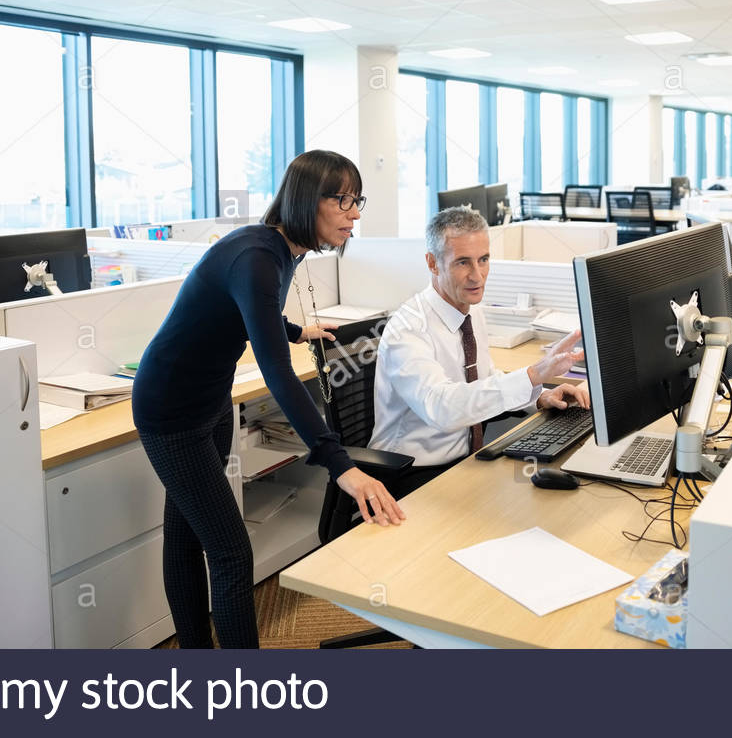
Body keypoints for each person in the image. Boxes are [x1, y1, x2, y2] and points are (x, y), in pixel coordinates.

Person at [131, 150, 404, 649]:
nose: (356, 214)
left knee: (188, 534)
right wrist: (338, 463)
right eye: (344, 200)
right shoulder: (257, 256)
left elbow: (246, 312)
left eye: (357, 200)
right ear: (307, 199)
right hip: (169, 410)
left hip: (211, 399)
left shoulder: (283, 250)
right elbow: (276, 372)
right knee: (232, 554)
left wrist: (298, 330)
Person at [369, 206, 589, 496]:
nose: (478, 275)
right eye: (463, 263)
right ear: (432, 263)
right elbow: (443, 408)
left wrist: (539, 396)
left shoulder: (472, 310)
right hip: (410, 474)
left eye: (483, 259)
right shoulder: (408, 328)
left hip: (466, 462)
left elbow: (483, 380)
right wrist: (534, 374)